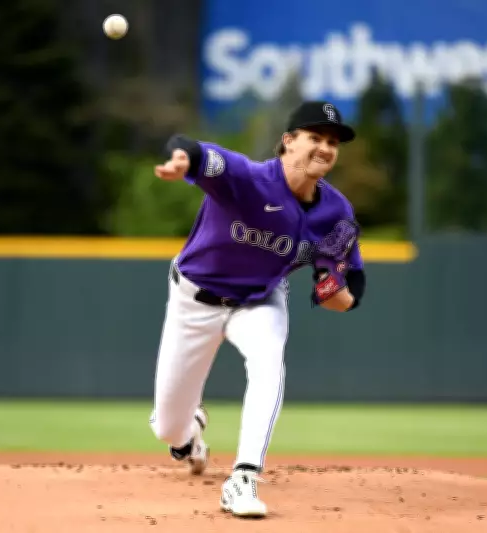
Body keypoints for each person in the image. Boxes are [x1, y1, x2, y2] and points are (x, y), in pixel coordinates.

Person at [148, 101, 367, 518]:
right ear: (288, 142)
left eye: (333, 142)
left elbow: (348, 287)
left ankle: (244, 477)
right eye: (315, 137)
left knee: (269, 362)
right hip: (195, 299)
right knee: (167, 428)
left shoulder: (336, 212)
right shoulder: (247, 179)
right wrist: (181, 161)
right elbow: (193, 151)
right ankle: (189, 434)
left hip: (260, 300)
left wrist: (335, 290)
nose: (325, 147)